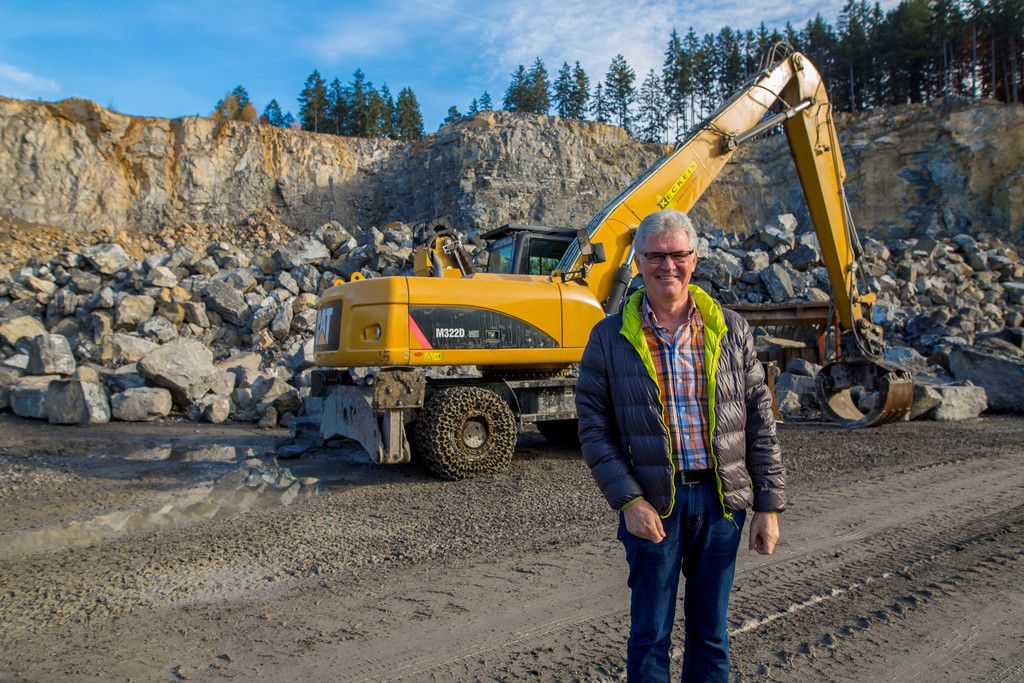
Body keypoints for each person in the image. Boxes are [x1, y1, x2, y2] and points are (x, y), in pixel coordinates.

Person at [576, 208, 786, 682]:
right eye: (655, 256)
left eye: (678, 255)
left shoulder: (730, 329)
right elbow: (593, 429)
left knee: (710, 635)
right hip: (654, 505)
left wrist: (768, 506)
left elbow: (758, 419)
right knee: (649, 634)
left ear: (694, 259)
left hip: (721, 504)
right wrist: (628, 500)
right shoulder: (609, 338)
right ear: (638, 261)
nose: (667, 265)